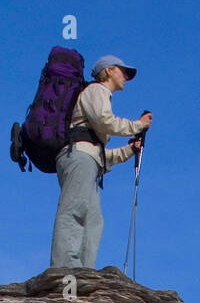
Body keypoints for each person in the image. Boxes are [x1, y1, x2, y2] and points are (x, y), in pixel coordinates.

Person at [50, 56, 153, 270]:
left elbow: (100, 153)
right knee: (75, 209)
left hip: (87, 160)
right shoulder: (96, 90)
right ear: (108, 70)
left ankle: (83, 270)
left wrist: (129, 150)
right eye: (123, 71)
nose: (126, 76)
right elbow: (104, 121)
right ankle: (66, 267)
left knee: (93, 219)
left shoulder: (99, 94)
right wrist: (137, 125)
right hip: (79, 157)